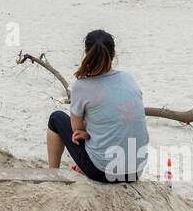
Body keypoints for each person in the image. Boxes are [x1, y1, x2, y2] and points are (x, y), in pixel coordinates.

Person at [46, 29, 148, 182]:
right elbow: (119, 120)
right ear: (113, 54)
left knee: (56, 118)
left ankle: (52, 174)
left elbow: (76, 131)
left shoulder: (81, 86)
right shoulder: (128, 78)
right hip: (136, 171)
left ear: (86, 53)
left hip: (103, 172)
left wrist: (85, 132)